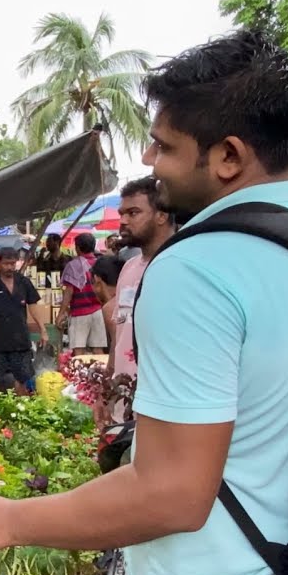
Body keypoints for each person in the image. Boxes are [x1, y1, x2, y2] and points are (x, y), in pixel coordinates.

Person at [0, 30, 288, 575]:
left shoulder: (201, 268)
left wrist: (10, 521)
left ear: (229, 157)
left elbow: (172, 495)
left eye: (164, 145)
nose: (150, 159)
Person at [106, 176, 175, 421]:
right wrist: (108, 385)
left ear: (162, 215)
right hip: (123, 397)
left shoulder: (178, 268)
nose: (123, 221)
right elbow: (119, 331)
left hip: (159, 405)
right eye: (121, 213)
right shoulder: (129, 268)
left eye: (133, 212)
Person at [0, 248, 46, 393]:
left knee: (23, 380)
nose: (9, 267)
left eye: (12, 264)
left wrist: (43, 329)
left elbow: (33, 307)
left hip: (20, 341)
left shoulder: (24, 283)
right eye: (6, 264)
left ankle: (22, 411)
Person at [57, 233, 108, 356]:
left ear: (78, 247)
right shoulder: (100, 264)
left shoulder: (72, 266)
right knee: (98, 349)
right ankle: (100, 374)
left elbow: (69, 292)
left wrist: (61, 313)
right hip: (98, 311)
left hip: (79, 313)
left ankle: (79, 375)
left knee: (78, 350)